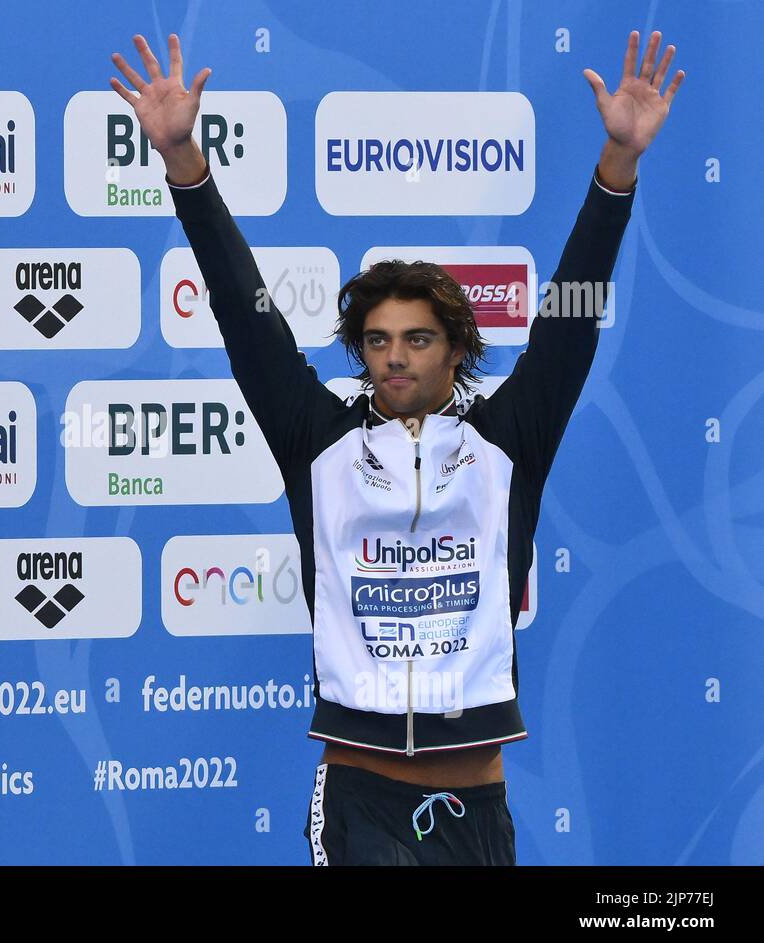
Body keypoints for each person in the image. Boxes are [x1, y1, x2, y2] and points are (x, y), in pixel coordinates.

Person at [110, 30, 684, 865]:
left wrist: (617, 168)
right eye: (377, 341)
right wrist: (185, 162)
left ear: (456, 349)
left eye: (418, 339)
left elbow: (569, 325)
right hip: (362, 800)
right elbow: (245, 315)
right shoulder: (319, 443)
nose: (396, 357)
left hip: (477, 799)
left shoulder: (505, 441)